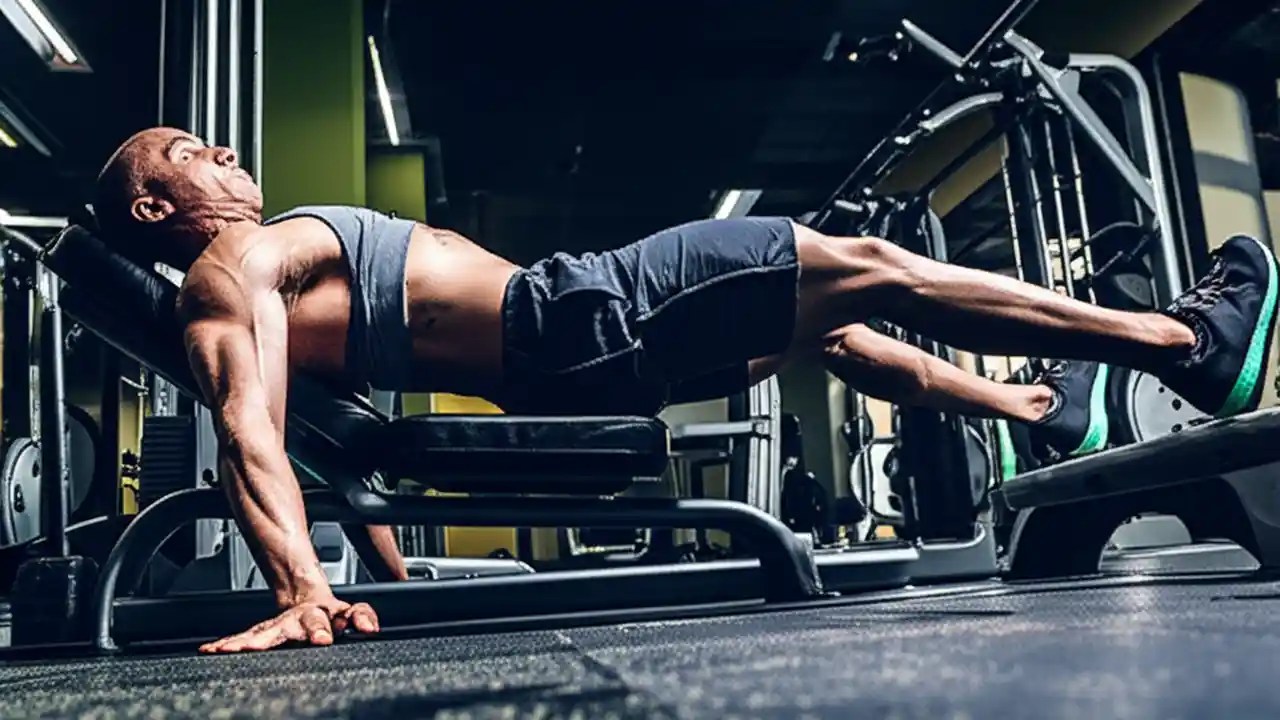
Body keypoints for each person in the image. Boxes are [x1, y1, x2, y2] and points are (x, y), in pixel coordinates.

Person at [92, 127, 1278, 653]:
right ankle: (1179, 342)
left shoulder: (272, 277)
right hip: (577, 312)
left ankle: (1036, 413)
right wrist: (303, 588)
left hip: (560, 357)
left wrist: (382, 584)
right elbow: (249, 424)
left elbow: (333, 440)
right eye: (190, 153)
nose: (223, 152)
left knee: (832, 321)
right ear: (154, 205)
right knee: (867, 263)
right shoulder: (232, 271)